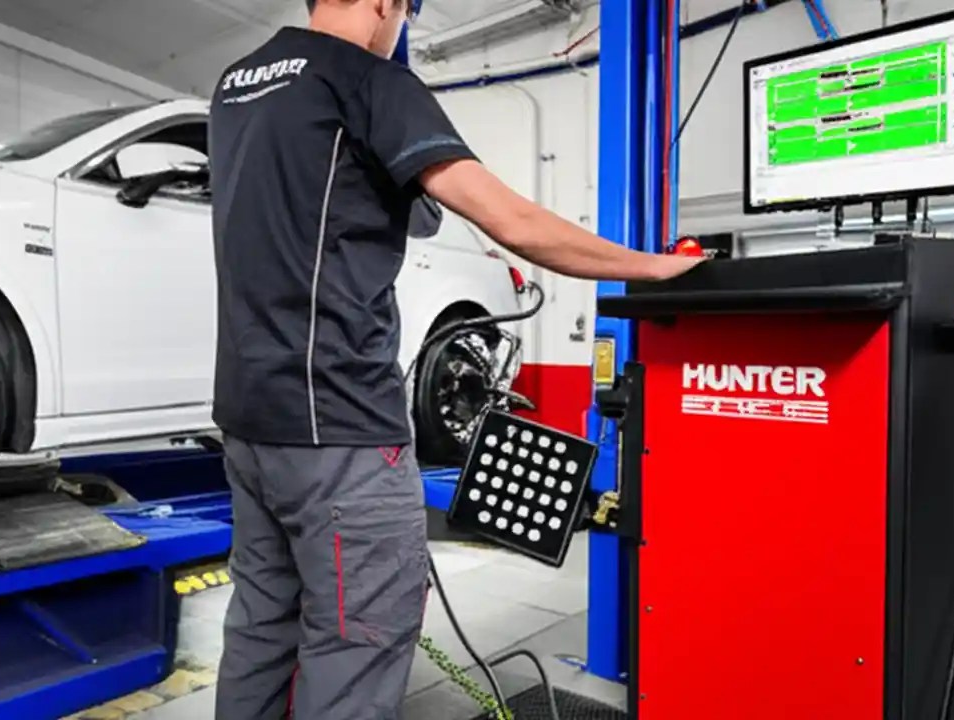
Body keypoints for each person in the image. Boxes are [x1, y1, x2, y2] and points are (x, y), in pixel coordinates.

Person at [207, 0, 704, 717]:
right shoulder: (366, 79)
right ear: (385, 4)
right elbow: (513, 221)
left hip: (249, 423)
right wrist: (651, 267)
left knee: (261, 627)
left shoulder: (236, 84)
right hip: (339, 429)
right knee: (355, 642)